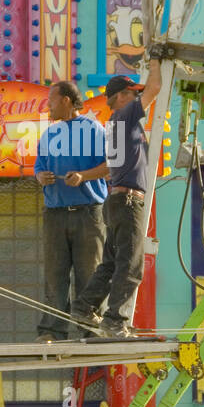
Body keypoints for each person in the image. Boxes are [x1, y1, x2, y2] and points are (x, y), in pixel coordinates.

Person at [68, 56, 162, 339]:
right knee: (130, 266)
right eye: (132, 93)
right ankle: (115, 320)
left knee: (111, 263)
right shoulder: (125, 115)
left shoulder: (114, 124)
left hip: (117, 201)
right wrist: (157, 59)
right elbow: (155, 88)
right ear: (120, 97)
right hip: (128, 202)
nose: (137, 98)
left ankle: (84, 307)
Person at [34, 82, 107, 341]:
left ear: (66, 100)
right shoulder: (49, 134)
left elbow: (110, 166)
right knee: (55, 275)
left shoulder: (94, 129)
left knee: (90, 273)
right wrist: (41, 177)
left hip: (89, 213)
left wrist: (83, 176)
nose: (48, 106)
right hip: (55, 213)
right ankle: (52, 331)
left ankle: (90, 329)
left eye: (51, 100)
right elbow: (38, 167)